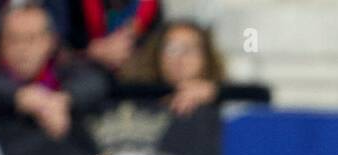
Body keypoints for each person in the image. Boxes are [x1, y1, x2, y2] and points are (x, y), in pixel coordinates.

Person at [0, 1, 107, 139]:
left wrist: (61, 101)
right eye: (13, 39)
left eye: (32, 38)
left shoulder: (64, 67)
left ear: (50, 41)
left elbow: (94, 81)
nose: (23, 49)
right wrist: (20, 96)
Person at [115, 19, 268, 113]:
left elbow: (261, 94)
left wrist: (213, 92)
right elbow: (110, 92)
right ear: (157, 55)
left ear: (206, 57)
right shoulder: (136, 92)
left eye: (190, 49)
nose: (180, 58)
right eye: (171, 49)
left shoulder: (218, 94)